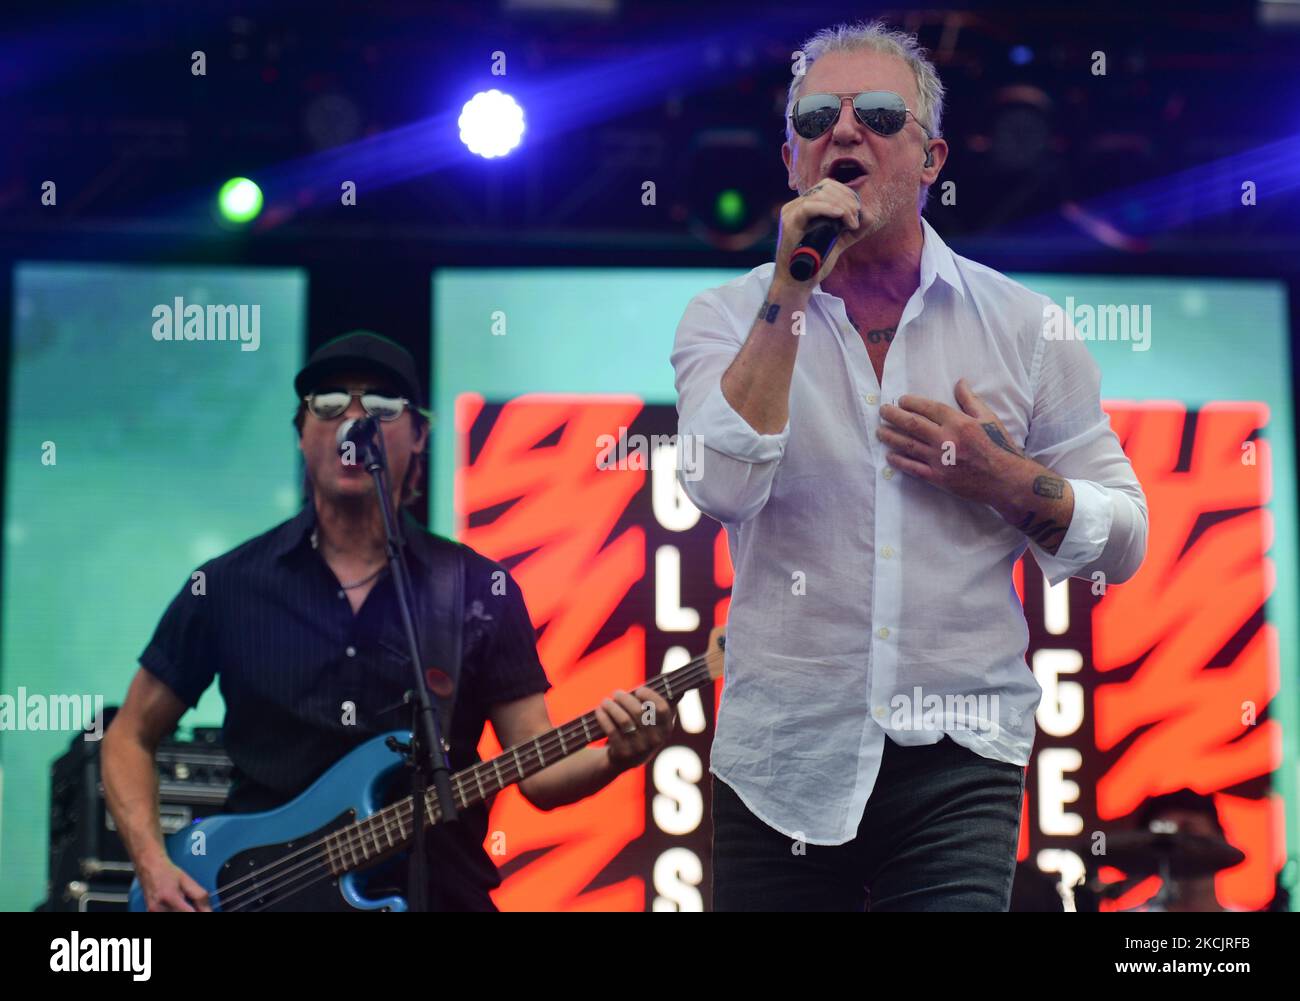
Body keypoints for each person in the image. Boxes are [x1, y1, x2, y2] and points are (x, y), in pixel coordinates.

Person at [670, 20, 1148, 911]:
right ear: (790, 159)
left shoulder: (1024, 327)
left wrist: (1004, 481)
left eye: (879, 115)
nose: (845, 132)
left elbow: (1124, 537)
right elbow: (721, 483)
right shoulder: (725, 317)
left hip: (959, 757)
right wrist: (790, 288)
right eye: (819, 117)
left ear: (931, 160)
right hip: (781, 763)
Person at [103, 330, 674, 911]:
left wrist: (615, 756)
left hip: (441, 893)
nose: (354, 421)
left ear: (419, 435)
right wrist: (153, 866)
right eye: (328, 403)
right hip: (257, 894)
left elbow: (536, 770)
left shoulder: (479, 589)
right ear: (300, 433)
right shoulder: (227, 585)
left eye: (381, 407)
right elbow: (129, 735)